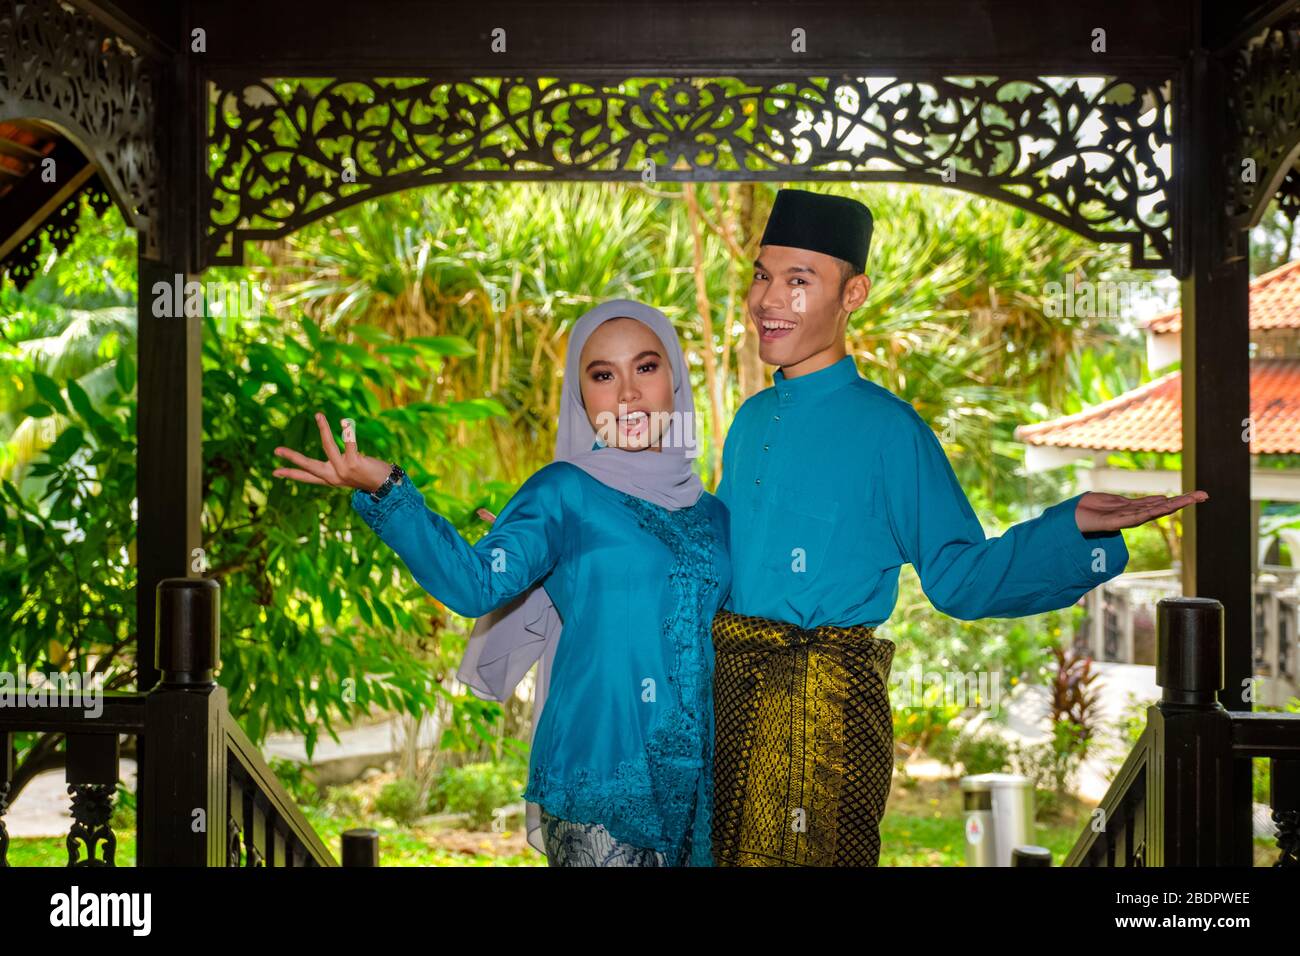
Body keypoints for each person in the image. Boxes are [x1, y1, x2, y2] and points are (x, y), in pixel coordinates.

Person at [711, 187, 1209, 867]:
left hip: (823, 716)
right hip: (730, 704)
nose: (770, 299)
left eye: (800, 281)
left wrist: (1075, 532)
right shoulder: (748, 423)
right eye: (764, 275)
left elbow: (960, 579)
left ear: (852, 294)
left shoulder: (890, 431)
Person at [272, 299, 730, 866]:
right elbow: (474, 586)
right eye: (603, 375)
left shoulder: (714, 515)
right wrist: (386, 486)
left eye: (646, 367)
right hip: (598, 783)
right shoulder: (563, 490)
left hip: (695, 792)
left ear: (675, 378)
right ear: (581, 397)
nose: (628, 394)